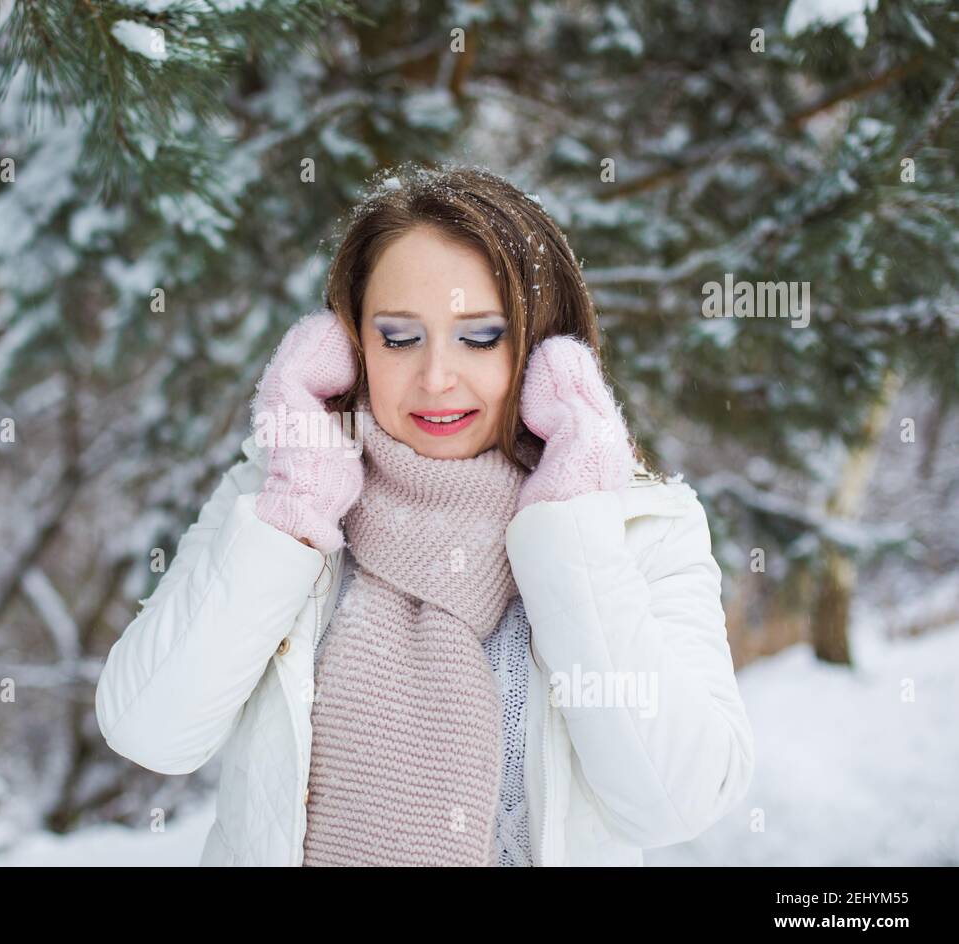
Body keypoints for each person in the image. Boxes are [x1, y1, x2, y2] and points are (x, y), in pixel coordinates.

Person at [95, 164, 755, 866]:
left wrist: (571, 524)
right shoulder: (276, 499)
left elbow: (676, 802)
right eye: (400, 338)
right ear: (351, 346)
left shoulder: (640, 526)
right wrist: (296, 512)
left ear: (542, 346)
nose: (437, 377)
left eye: (481, 336)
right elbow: (151, 731)